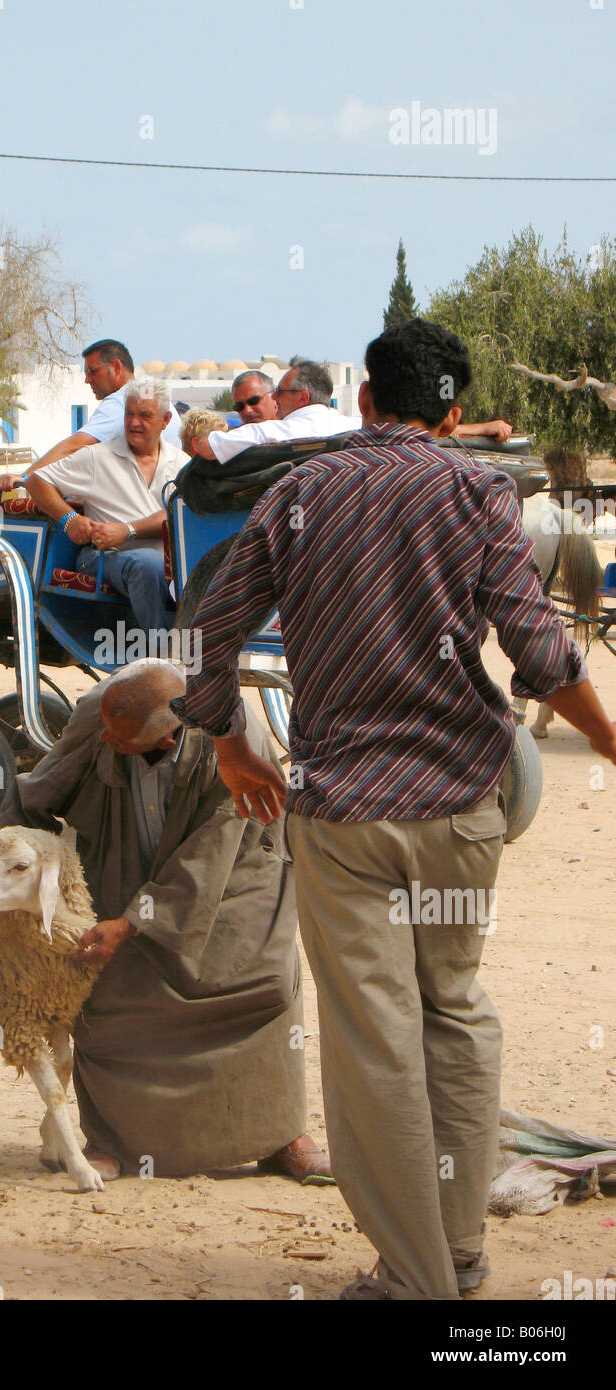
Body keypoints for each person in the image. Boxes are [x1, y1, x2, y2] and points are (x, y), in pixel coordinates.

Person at [173, 318, 616, 1300]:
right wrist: (606, 738)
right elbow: (540, 656)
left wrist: (227, 738)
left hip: (342, 820)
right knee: (452, 1016)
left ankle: (413, 1276)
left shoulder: (296, 492)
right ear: (454, 413)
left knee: (375, 1039)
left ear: (364, 400)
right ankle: (453, 1258)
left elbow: (207, 625)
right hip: (461, 812)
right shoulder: (475, 490)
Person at [0, 659, 331, 1183]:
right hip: (126, 861)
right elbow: (44, 784)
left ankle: (281, 1136)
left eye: (122, 738)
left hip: (234, 880)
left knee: (263, 987)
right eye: (105, 727)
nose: (105, 740)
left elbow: (212, 850)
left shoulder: (233, 734)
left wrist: (133, 922)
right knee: (106, 998)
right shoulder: (102, 718)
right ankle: (110, 1141)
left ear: (165, 738)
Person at [26, 381, 187, 633]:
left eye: (145, 415)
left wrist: (128, 529)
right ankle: (163, 653)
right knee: (147, 562)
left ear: (165, 420)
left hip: (167, 564)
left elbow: (182, 513)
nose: (134, 423)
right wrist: (69, 519)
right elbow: (36, 480)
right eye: (129, 414)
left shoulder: (181, 464)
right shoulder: (97, 456)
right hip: (103, 557)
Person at [0, 338, 182, 493]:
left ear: (116, 367)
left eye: (92, 371)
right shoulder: (160, 400)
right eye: (130, 415)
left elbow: (76, 445)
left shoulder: (119, 401)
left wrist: (25, 477)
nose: (87, 380)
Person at [193, 358, 360, 463]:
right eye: (239, 407)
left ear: (303, 398)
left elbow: (206, 447)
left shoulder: (269, 433)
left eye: (280, 391)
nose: (275, 397)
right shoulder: (358, 427)